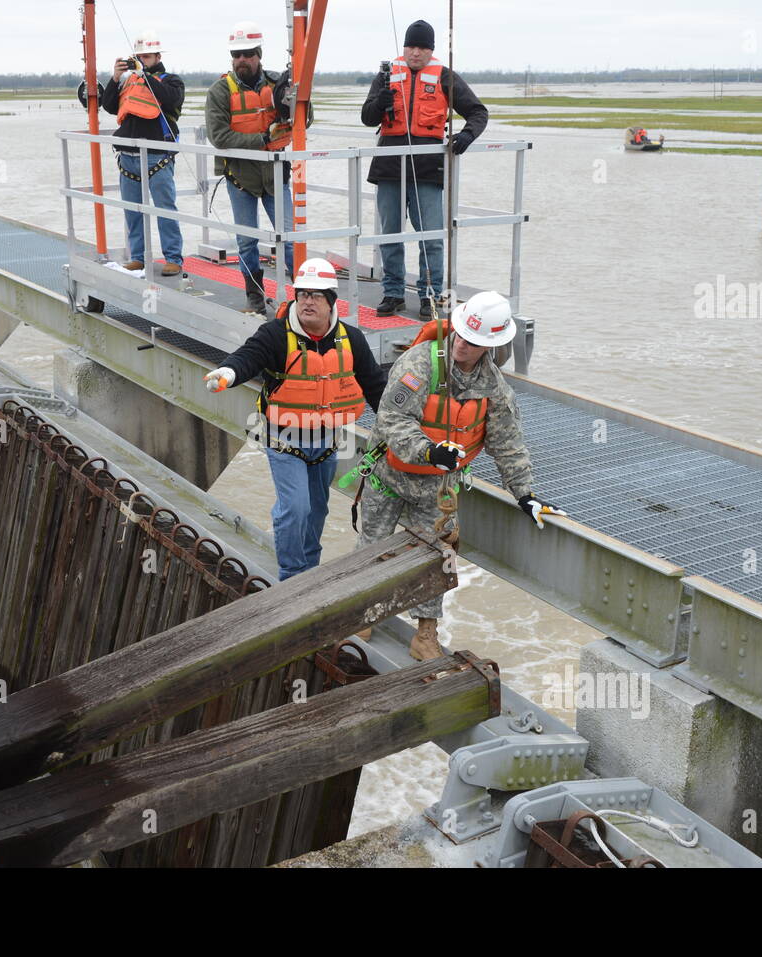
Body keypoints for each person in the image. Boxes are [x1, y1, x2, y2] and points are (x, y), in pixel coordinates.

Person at [352, 291, 565, 660]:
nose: (463, 346)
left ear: (490, 346)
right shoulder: (417, 364)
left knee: (437, 557)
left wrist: (524, 493)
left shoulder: (493, 388)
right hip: (388, 475)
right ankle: (362, 615)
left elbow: (507, 441)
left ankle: (425, 635)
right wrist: (429, 450)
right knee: (372, 547)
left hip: (437, 488)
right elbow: (392, 420)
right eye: (462, 335)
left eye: (474, 342)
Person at [204, 258, 387, 580]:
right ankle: (291, 576)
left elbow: (375, 387)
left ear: (331, 301)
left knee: (317, 511)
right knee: (295, 508)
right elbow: (248, 356)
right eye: (302, 294)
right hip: (284, 442)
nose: (307, 301)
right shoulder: (275, 334)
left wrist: (400, 427)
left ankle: (309, 571)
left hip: (328, 444)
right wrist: (227, 373)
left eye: (316, 295)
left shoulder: (352, 339)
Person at [360, 20, 489, 320]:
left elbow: (478, 112)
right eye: (411, 47)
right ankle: (392, 293)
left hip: (428, 167)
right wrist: (379, 103)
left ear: (431, 51)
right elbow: (367, 118)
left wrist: (467, 135)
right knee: (388, 234)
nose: (416, 53)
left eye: (422, 48)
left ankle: (429, 295)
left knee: (430, 236)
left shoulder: (445, 77)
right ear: (404, 48)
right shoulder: (385, 76)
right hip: (390, 165)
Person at [205, 20, 310, 314]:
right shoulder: (219, 91)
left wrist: (298, 100)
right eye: (237, 55)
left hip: (276, 176)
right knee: (247, 241)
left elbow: (306, 120)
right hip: (240, 177)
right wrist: (264, 138)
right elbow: (219, 136)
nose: (242, 60)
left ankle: (304, 296)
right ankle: (254, 294)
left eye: (248, 54)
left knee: (290, 239)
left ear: (259, 54)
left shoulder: (279, 85)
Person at [88, 29, 185, 276]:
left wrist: (144, 75)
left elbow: (169, 99)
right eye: (139, 57)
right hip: (128, 155)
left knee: (164, 208)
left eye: (147, 57)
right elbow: (109, 106)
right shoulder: (128, 81)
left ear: (157, 56)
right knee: (132, 210)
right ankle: (138, 257)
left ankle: (173, 258)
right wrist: (115, 77)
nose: (143, 60)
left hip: (157, 155)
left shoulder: (171, 80)